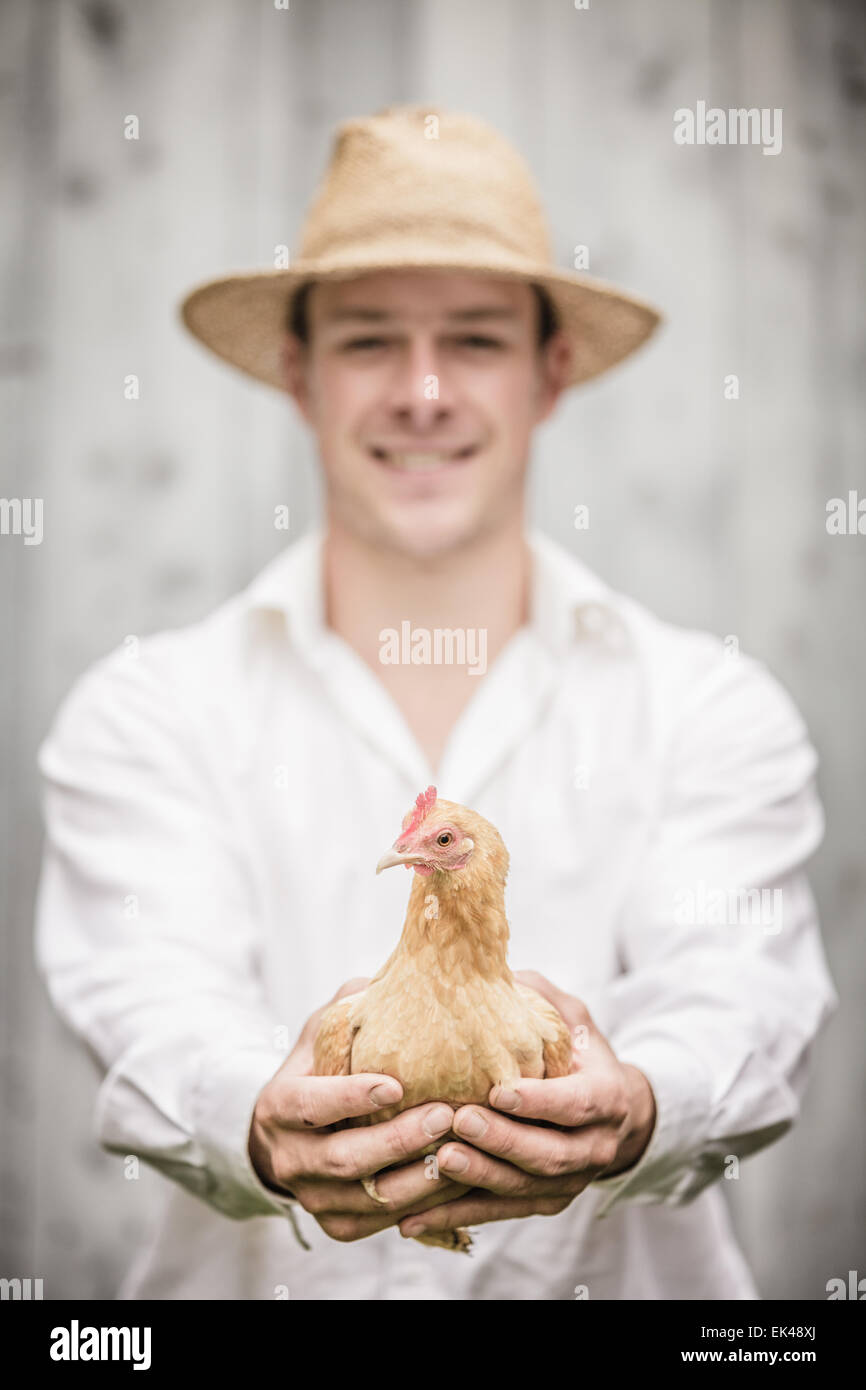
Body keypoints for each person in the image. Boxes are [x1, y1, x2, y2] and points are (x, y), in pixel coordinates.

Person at [34, 104, 836, 1300]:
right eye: (367, 341)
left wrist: (647, 1100)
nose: (420, 392)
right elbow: (153, 994)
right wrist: (260, 1116)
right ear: (298, 374)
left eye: (470, 339)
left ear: (547, 372)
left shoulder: (708, 707)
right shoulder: (146, 711)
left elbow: (737, 989)